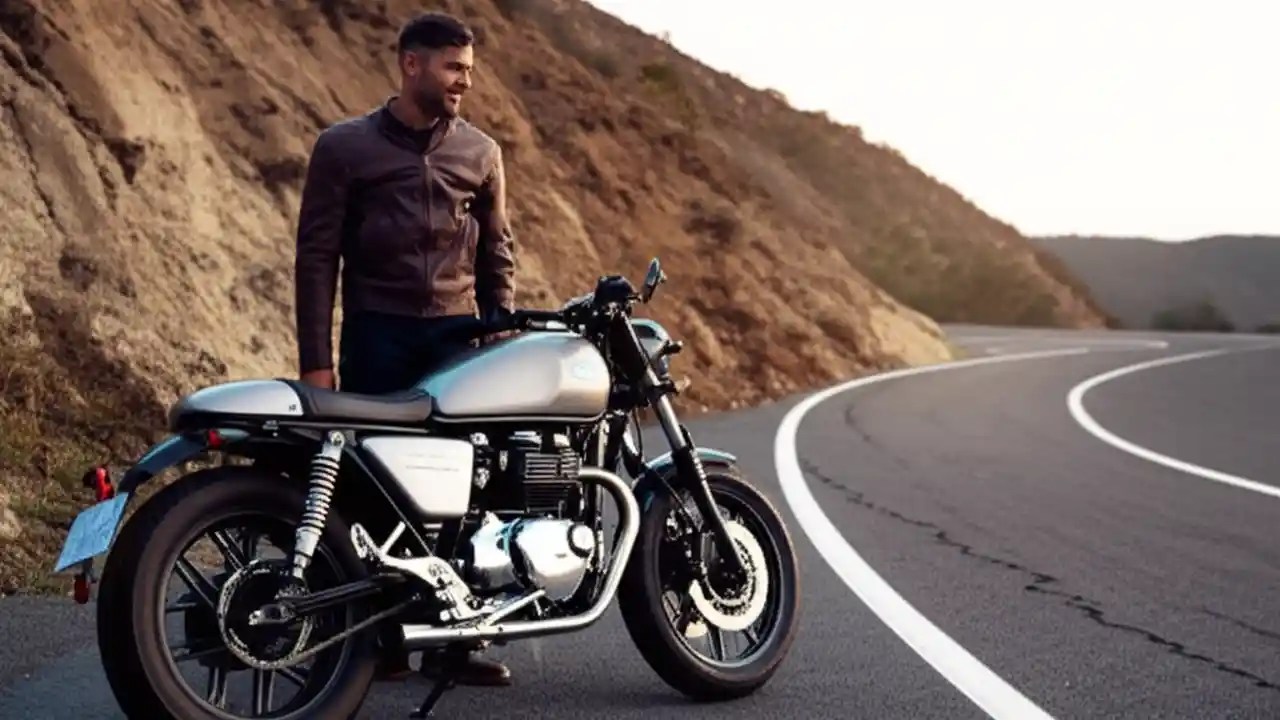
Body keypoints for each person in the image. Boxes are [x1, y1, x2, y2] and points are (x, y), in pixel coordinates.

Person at [292, 11, 517, 686]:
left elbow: (497, 251)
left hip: (456, 339)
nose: (463, 83)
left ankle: (456, 642)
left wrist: (500, 330)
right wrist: (316, 360)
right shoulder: (344, 147)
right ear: (411, 64)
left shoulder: (481, 152)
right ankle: (382, 639)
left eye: (470, 71)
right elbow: (315, 257)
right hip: (377, 334)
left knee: (466, 487)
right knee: (376, 491)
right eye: (453, 68)